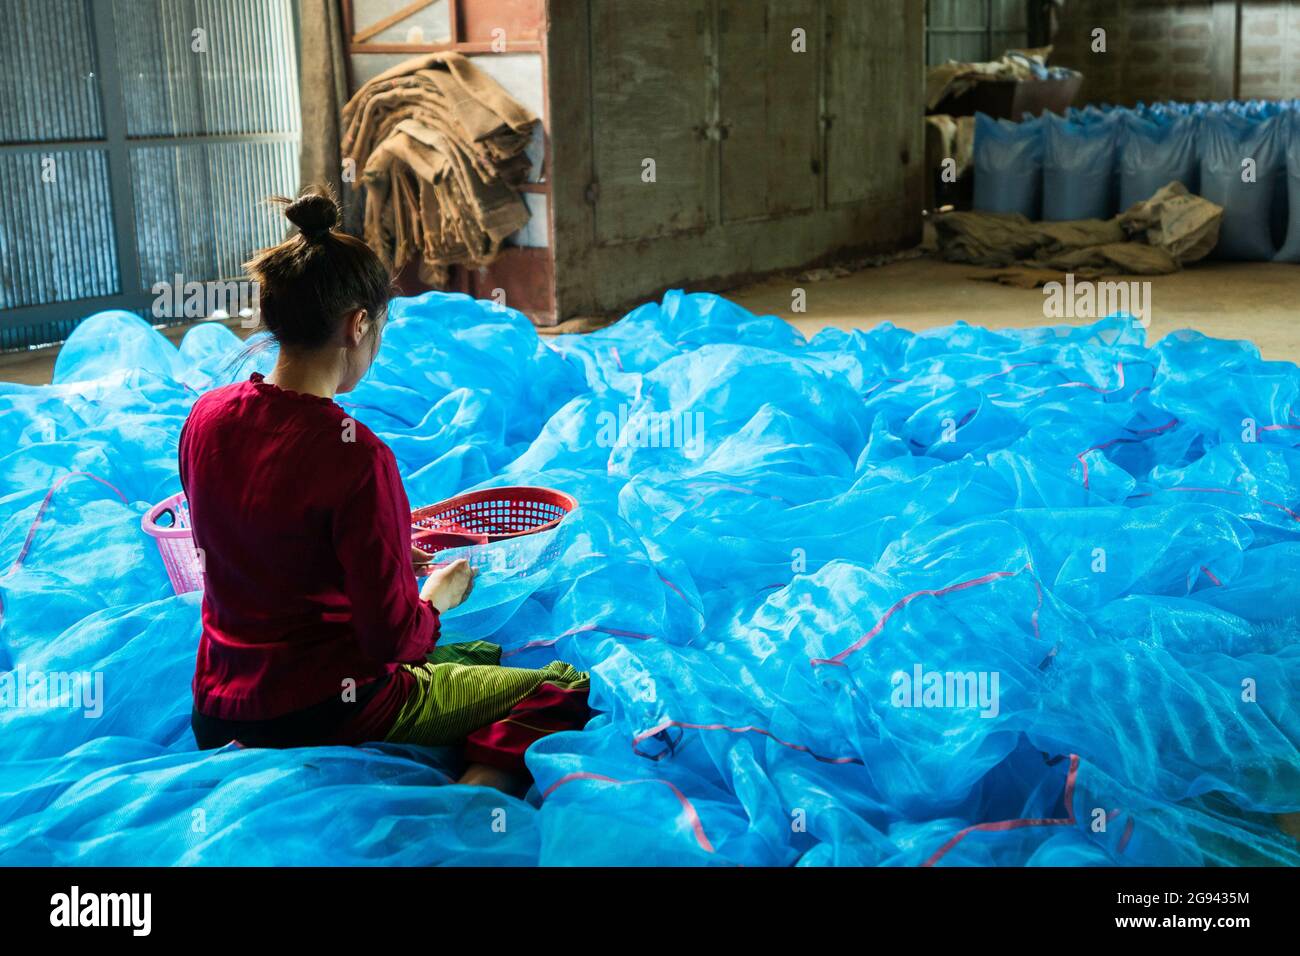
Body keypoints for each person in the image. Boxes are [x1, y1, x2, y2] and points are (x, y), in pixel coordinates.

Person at [180, 187, 589, 794]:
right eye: (379, 331)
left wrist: (389, 554)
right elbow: (392, 642)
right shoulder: (357, 456)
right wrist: (434, 596)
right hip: (326, 705)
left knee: (477, 658)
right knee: (561, 686)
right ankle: (469, 806)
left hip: (217, 709)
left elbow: (266, 542)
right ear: (357, 324)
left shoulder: (206, 417)